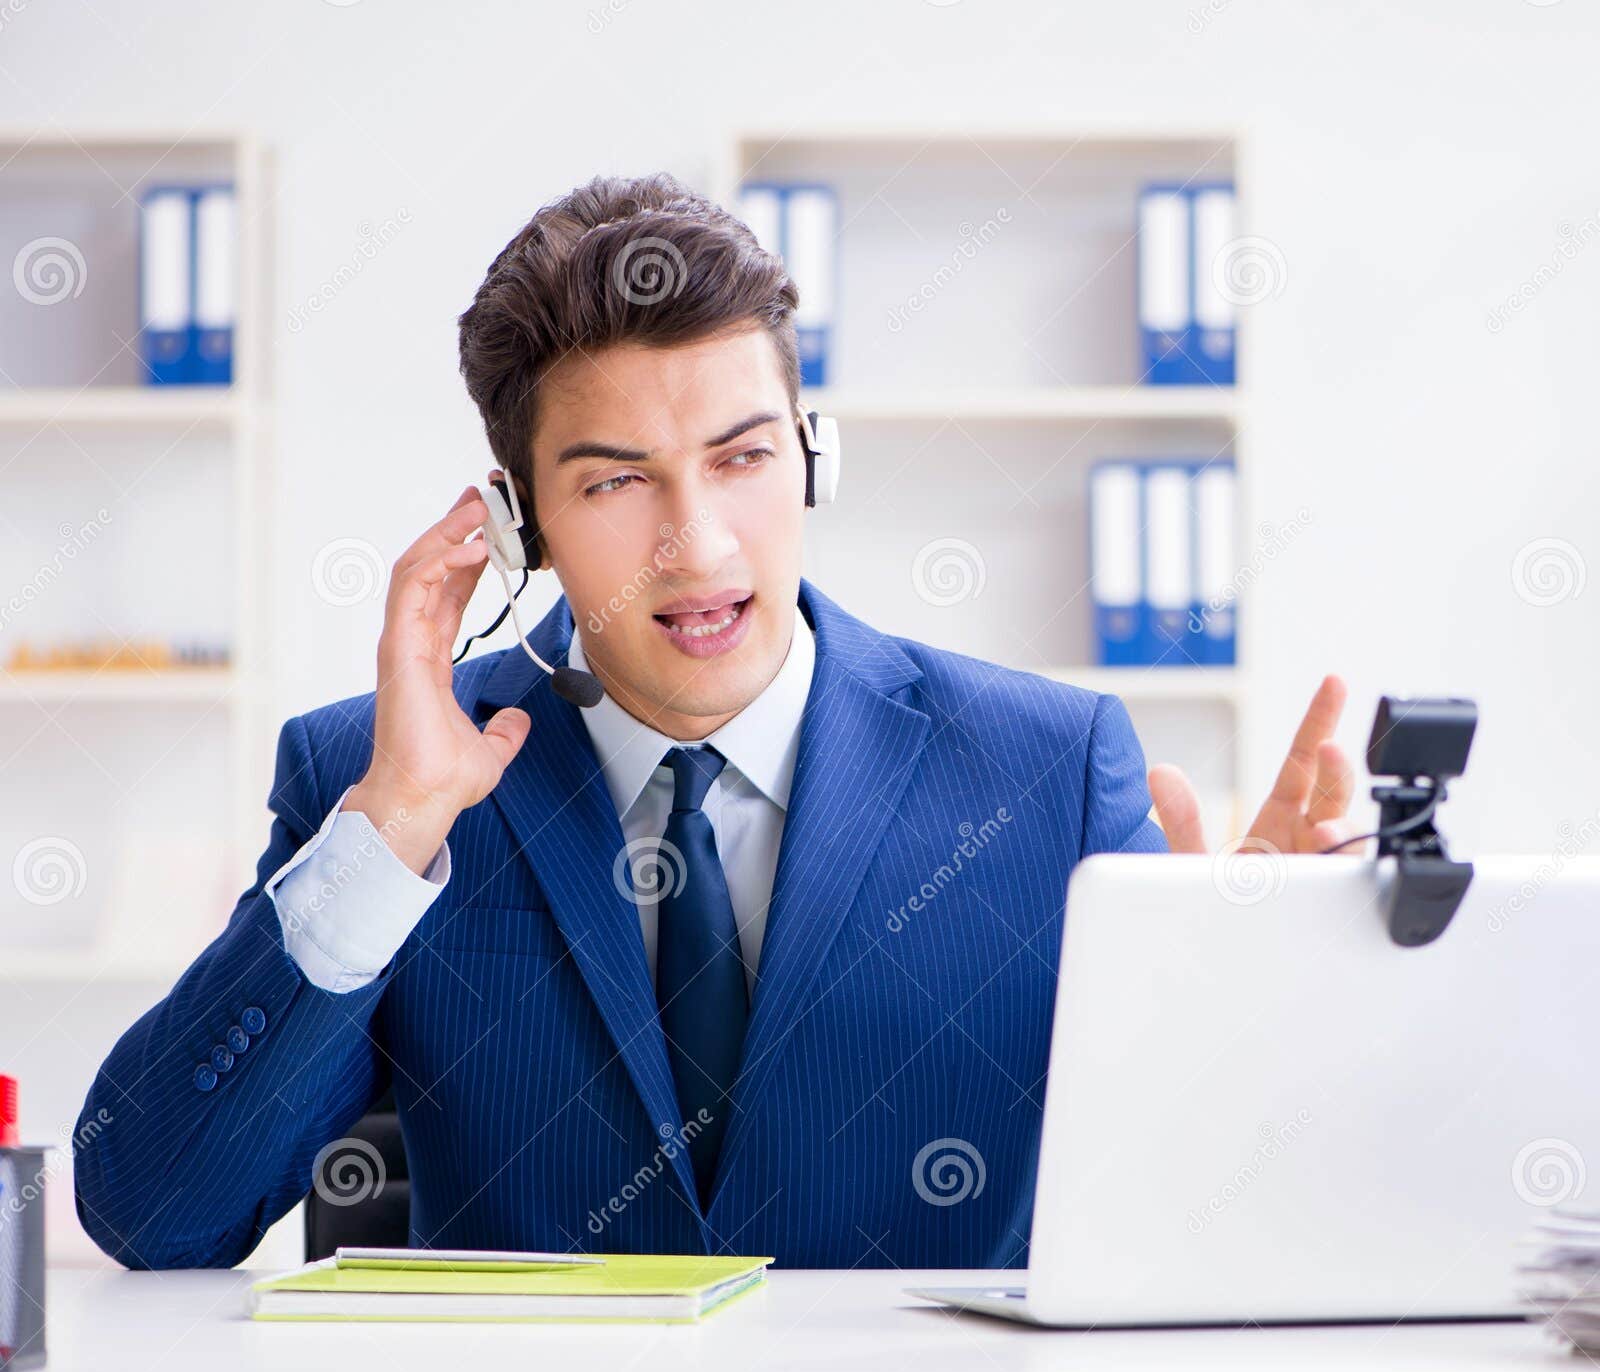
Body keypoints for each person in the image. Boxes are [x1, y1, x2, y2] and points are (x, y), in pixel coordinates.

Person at [74, 174, 1357, 1270]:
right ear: (519, 524)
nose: (696, 544)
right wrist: (395, 829)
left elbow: (1202, 1209)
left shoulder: (1047, 772)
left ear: (812, 456)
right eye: (617, 480)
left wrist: (1254, 989)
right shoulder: (383, 778)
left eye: (743, 457)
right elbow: (151, 1211)